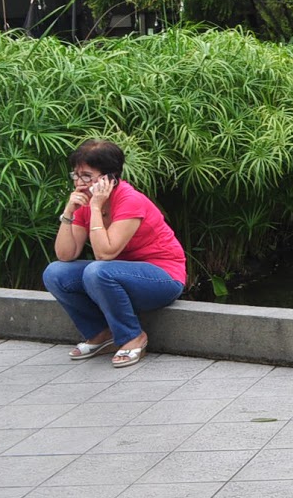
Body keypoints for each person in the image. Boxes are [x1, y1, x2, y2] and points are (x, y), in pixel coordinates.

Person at [44, 138, 187, 368]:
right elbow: (65, 254)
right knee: (55, 273)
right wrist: (69, 210)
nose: (79, 183)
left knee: (97, 271)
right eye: (76, 175)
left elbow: (105, 254)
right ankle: (101, 334)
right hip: (115, 275)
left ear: (109, 178)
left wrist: (95, 207)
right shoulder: (85, 201)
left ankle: (132, 336)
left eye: (87, 176)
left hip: (161, 277)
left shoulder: (129, 200)